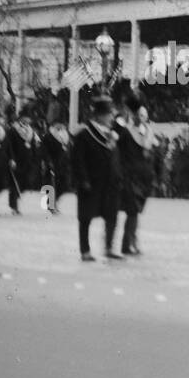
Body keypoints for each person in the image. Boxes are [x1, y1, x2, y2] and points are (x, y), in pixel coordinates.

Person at [70, 95, 123, 262]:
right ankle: (85, 250)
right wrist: (83, 180)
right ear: (100, 115)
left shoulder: (111, 135)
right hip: (91, 183)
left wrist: (118, 176)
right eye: (109, 114)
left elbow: (115, 158)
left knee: (111, 216)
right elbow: (77, 160)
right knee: (86, 218)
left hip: (110, 183)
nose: (112, 117)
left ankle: (109, 247)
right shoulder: (84, 134)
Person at [115, 95, 155, 257]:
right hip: (130, 177)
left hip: (143, 178)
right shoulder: (125, 131)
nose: (142, 118)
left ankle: (130, 242)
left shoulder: (147, 132)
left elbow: (151, 155)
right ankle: (128, 243)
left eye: (144, 116)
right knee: (133, 211)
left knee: (135, 212)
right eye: (139, 115)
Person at [5, 110, 39, 215]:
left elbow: (33, 145)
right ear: (21, 118)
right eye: (27, 118)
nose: (29, 120)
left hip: (28, 160)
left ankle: (14, 201)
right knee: (15, 184)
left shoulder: (31, 130)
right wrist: (11, 158)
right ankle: (14, 206)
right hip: (17, 160)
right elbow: (9, 145)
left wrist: (35, 157)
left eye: (30, 119)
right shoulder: (14, 130)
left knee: (25, 183)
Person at [40, 121, 72, 213]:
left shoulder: (65, 134)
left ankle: (53, 201)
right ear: (54, 125)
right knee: (51, 185)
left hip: (64, 164)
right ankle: (51, 205)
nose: (61, 125)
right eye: (59, 123)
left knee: (64, 184)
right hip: (52, 163)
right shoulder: (48, 136)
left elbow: (68, 148)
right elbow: (44, 150)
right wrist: (48, 161)